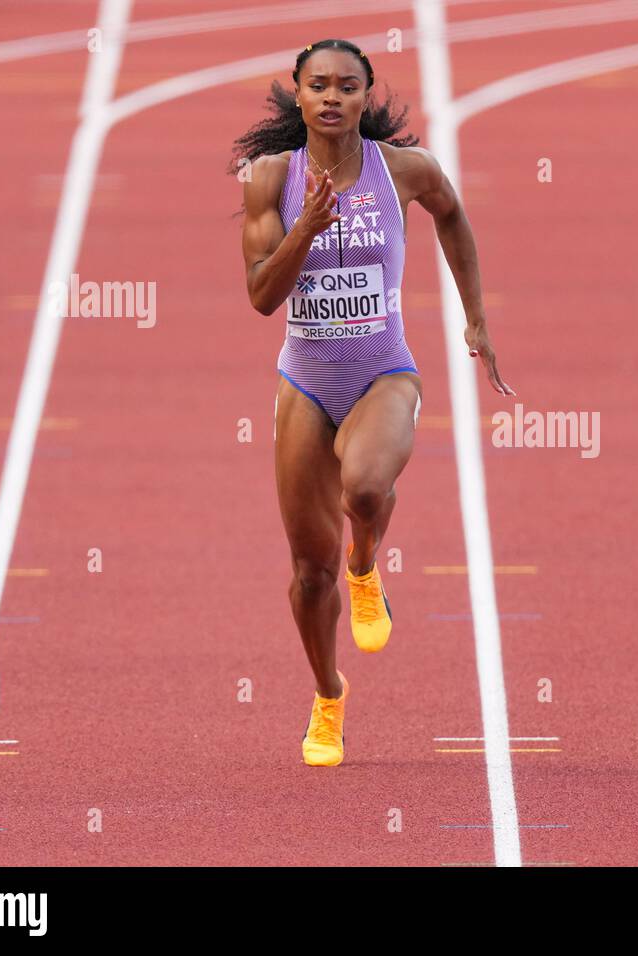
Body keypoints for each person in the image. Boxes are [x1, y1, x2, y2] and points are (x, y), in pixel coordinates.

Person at [232, 38, 514, 767]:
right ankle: (329, 696)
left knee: (364, 484)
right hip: (305, 378)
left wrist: (475, 315)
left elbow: (453, 216)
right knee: (306, 573)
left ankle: (367, 566)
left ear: (365, 96)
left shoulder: (404, 171)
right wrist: (306, 229)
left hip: (384, 367)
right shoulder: (268, 178)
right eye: (317, 85)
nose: (332, 97)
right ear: (296, 94)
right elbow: (263, 297)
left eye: (346, 86)